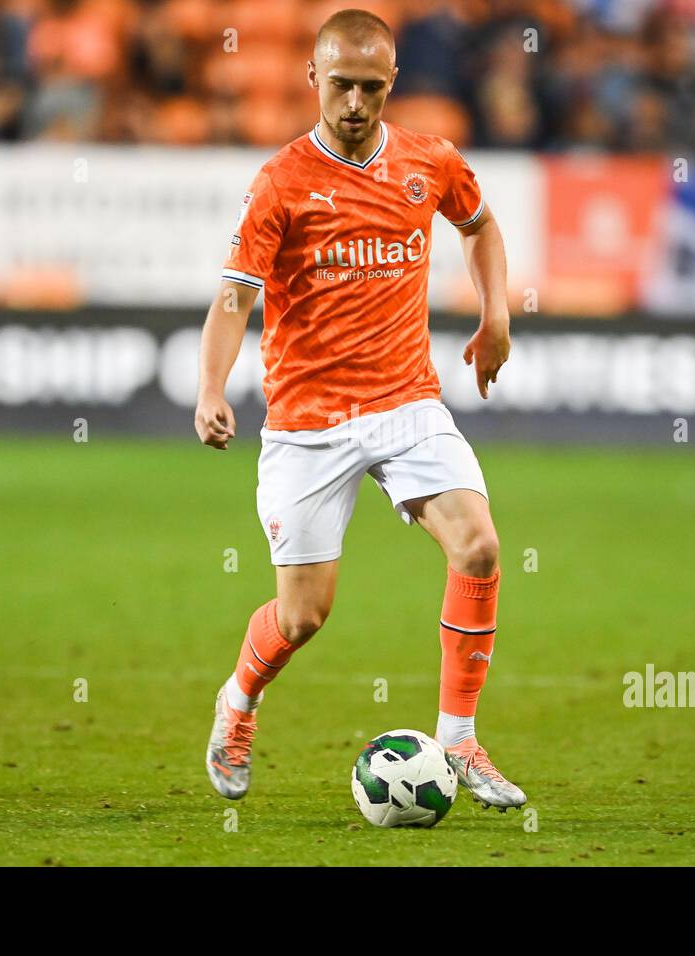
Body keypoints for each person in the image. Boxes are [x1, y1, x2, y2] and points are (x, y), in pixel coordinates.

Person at [194, 9, 523, 810]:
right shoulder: (280, 182)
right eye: (340, 85)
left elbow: (479, 225)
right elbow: (236, 297)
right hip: (309, 420)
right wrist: (211, 388)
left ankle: (458, 740)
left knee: (478, 546)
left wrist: (496, 315)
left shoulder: (427, 161)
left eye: (372, 88)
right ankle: (238, 700)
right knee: (304, 616)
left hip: (406, 399)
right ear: (313, 78)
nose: (354, 103)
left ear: (392, 86)